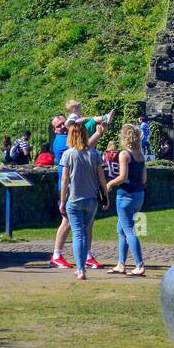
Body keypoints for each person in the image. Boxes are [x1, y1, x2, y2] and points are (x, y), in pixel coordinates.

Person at [50, 103, 105, 270]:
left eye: (62, 122)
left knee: (87, 223)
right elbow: (84, 148)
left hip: (80, 186)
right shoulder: (61, 142)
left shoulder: (69, 136)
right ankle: (57, 254)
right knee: (67, 222)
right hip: (68, 189)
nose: (61, 126)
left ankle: (86, 254)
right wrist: (98, 133)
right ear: (55, 130)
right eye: (57, 125)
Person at [59, 120, 109, 280]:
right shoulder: (93, 154)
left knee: (78, 234)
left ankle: (80, 269)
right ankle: (82, 266)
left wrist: (62, 201)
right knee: (85, 233)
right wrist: (106, 197)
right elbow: (102, 179)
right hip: (92, 199)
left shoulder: (68, 154)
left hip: (74, 199)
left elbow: (65, 180)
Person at [104, 122, 147, 276]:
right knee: (121, 229)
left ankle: (139, 265)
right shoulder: (140, 155)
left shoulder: (124, 154)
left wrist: (110, 184)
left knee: (129, 231)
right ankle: (121, 264)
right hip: (139, 195)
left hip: (125, 196)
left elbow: (122, 177)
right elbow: (143, 179)